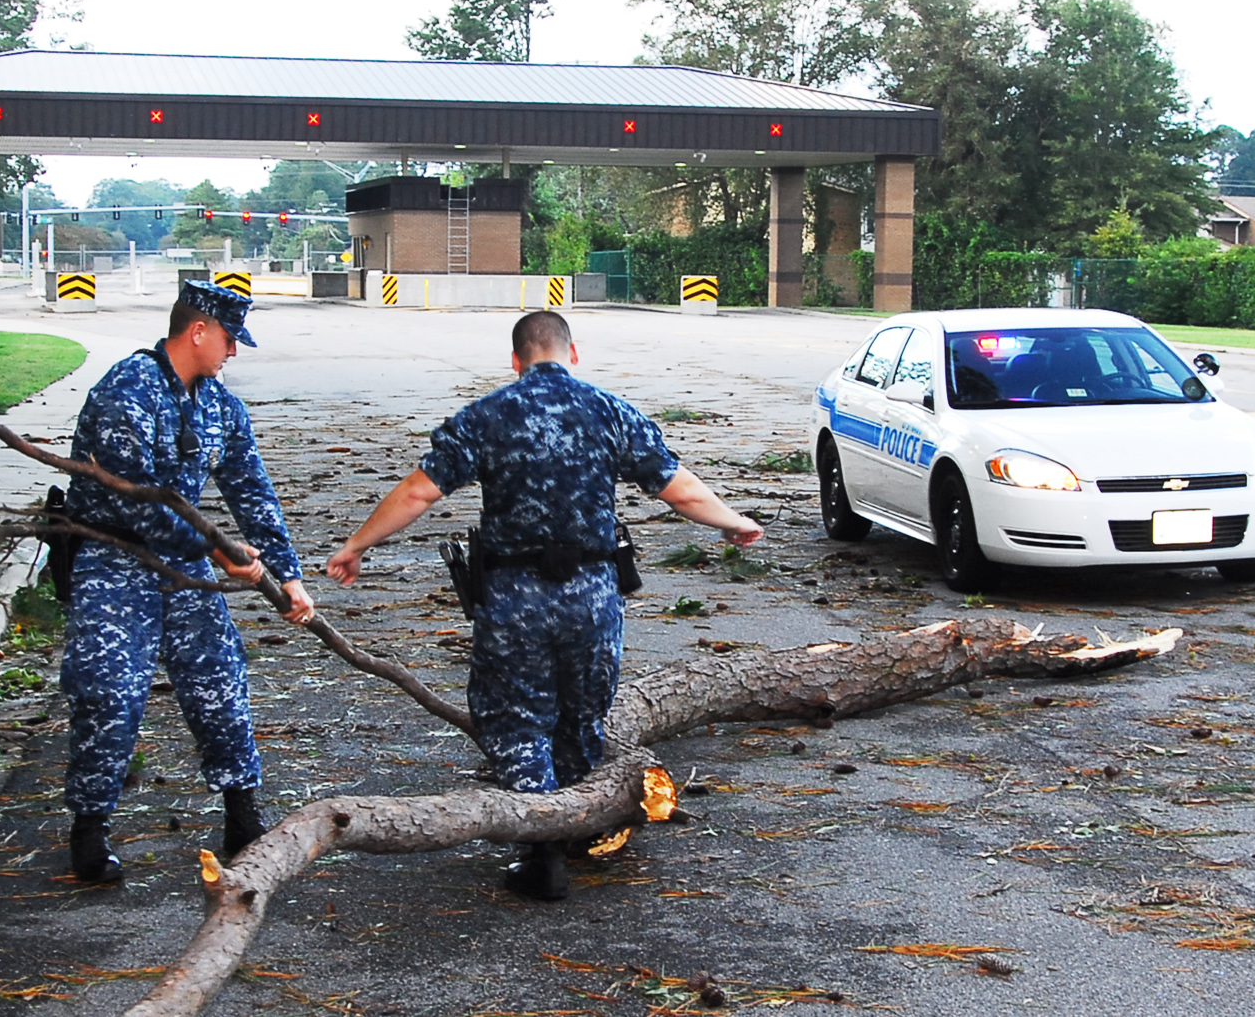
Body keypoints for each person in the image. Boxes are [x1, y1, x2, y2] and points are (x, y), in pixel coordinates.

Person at [326, 310, 761, 900]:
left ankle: (542, 851)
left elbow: (418, 491)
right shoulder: (609, 411)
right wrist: (734, 522)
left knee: (515, 720)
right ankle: (580, 830)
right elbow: (677, 487)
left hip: (514, 599)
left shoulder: (487, 414)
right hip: (593, 596)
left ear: (516, 360)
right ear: (572, 354)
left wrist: (356, 545)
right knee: (583, 716)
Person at [61, 280, 316, 883]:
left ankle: (241, 813)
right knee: (109, 693)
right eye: (228, 339)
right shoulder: (128, 391)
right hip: (114, 558)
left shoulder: (219, 405)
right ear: (197, 330)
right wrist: (219, 552)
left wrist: (288, 574)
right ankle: (90, 827)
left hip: (185, 567)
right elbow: (135, 505)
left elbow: (251, 490)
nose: (233, 352)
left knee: (219, 681)